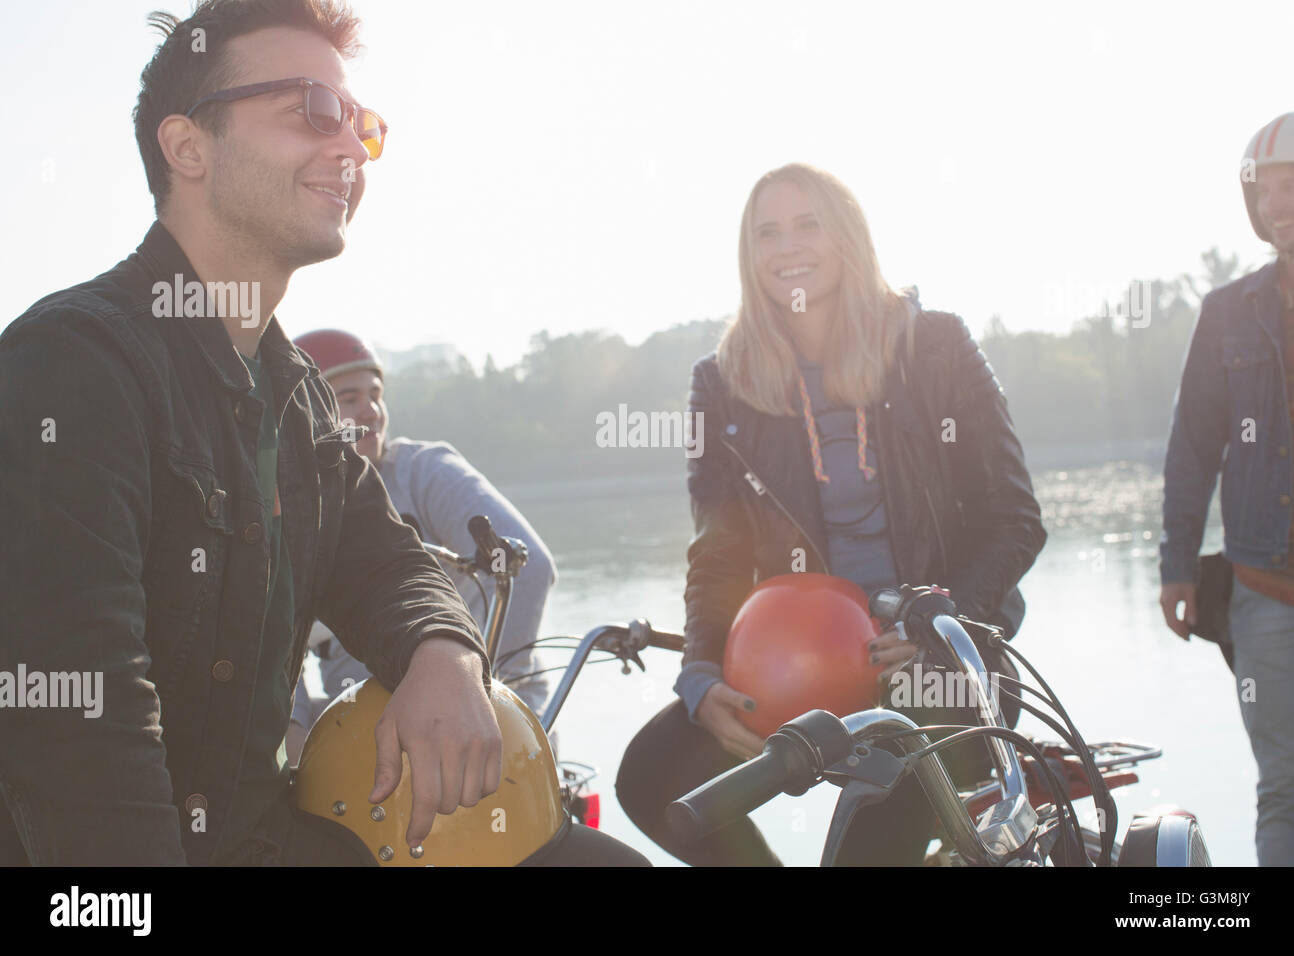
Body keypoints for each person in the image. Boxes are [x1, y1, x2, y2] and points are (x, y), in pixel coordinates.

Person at [0, 0, 644, 867]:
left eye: (361, 124)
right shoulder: (74, 362)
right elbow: (80, 723)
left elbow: (385, 559)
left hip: (266, 838)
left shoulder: (295, 398)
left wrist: (444, 648)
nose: (350, 149)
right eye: (312, 110)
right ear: (187, 146)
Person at [615, 162, 1047, 866]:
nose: (788, 247)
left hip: (939, 668)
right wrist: (701, 674)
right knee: (651, 777)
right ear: (748, 256)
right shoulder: (722, 383)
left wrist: (944, 621)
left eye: (807, 224)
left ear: (847, 235)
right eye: (767, 232)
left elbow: (1015, 519)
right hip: (802, 667)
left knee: (868, 844)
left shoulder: (935, 345)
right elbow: (717, 552)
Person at [284, 329, 558, 765]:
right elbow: (276, 646)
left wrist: (487, 693)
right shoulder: (283, 512)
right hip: (361, 718)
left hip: (479, 704)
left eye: (376, 394)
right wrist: (292, 741)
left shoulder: (423, 470)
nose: (372, 411)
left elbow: (528, 567)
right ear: (304, 411)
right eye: (349, 398)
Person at [1160, 111, 1294, 867]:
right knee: (1286, 789)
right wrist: (1177, 564)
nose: (1282, 203)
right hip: (1265, 592)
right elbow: (1193, 448)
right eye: (1268, 190)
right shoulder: (1225, 315)